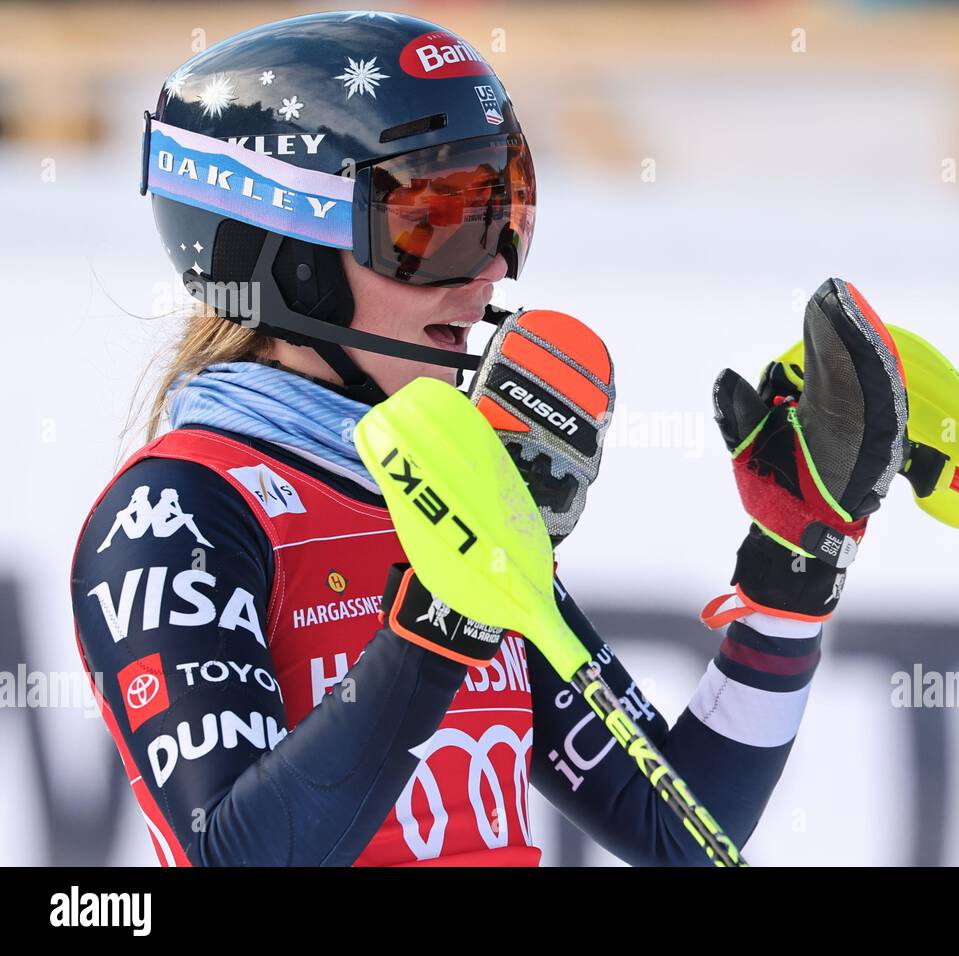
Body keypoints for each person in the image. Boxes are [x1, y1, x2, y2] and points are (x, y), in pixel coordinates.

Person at [70, 11, 908, 866]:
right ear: (289, 259)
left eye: (505, 208)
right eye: (431, 226)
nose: (492, 268)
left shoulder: (447, 484)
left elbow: (683, 829)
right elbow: (236, 857)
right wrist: (444, 613)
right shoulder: (179, 513)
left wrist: (792, 576)